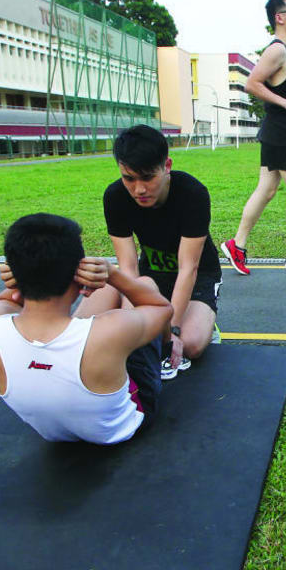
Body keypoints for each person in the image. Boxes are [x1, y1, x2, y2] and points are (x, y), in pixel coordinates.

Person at [0, 213, 173, 444]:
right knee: (145, 285)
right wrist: (114, 275)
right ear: (78, 275)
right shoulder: (111, 331)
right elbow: (160, 308)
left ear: (14, 273)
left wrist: (23, 272)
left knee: (105, 299)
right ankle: (168, 352)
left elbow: (7, 301)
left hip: (54, 432)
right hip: (121, 427)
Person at [220, 0, 286, 279]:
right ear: (280, 17)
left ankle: (236, 244)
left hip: (278, 132)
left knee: (267, 189)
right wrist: (284, 103)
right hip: (281, 132)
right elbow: (252, 83)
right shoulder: (276, 50)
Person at [104, 124, 223, 380]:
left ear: (166, 165)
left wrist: (174, 332)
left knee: (189, 345)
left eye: (148, 177)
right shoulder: (115, 196)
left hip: (197, 275)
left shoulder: (193, 194)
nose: (139, 189)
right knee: (127, 333)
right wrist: (129, 329)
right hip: (151, 276)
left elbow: (188, 268)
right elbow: (128, 267)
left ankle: (204, 320)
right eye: (129, 178)